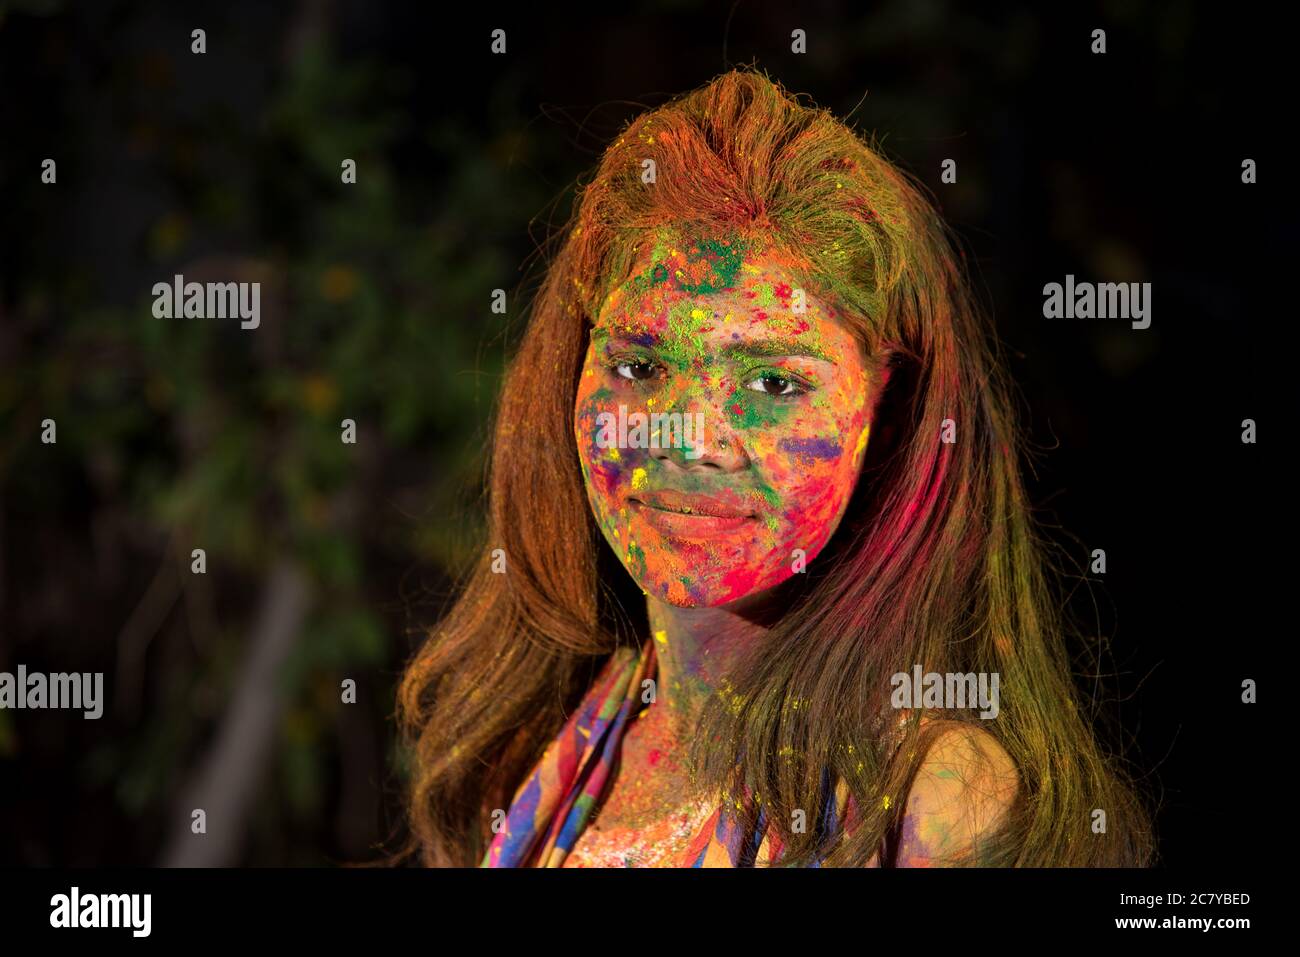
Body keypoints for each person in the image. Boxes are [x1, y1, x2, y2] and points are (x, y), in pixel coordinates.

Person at [395, 68, 1154, 867]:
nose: (690, 436)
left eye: (772, 383)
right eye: (641, 366)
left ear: (886, 411)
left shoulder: (934, 799)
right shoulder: (539, 740)